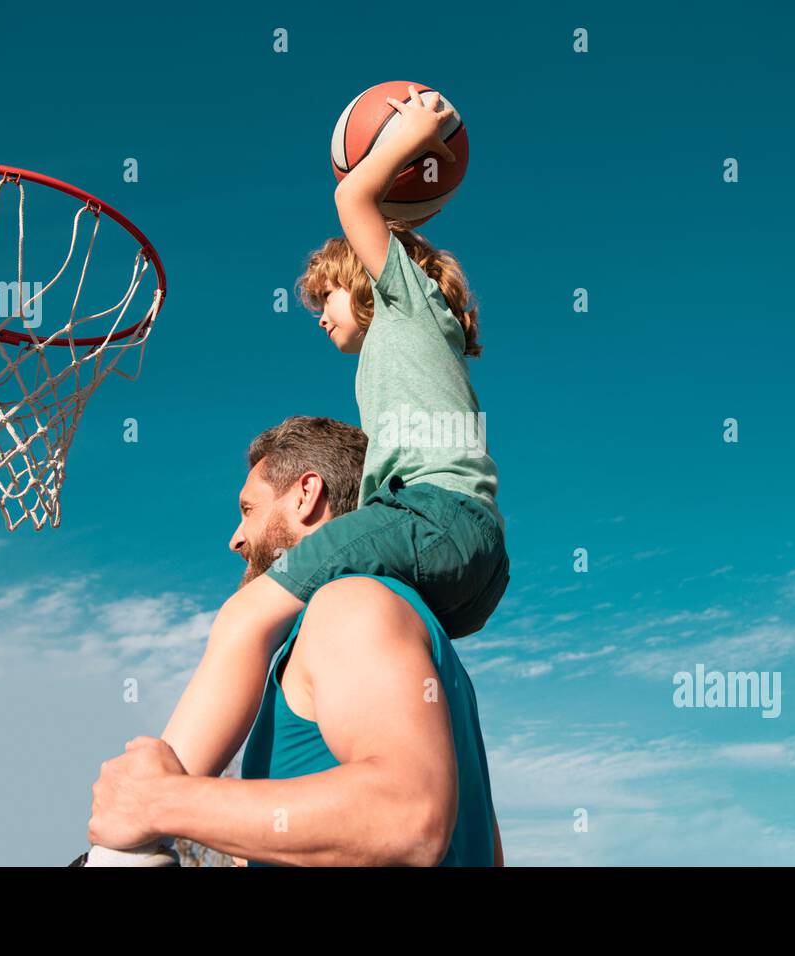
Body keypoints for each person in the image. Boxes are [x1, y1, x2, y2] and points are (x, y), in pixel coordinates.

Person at [79, 86, 508, 865]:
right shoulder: (424, 666)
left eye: (327, 295)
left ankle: (127, 847)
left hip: (437, 513)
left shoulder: (404, 305)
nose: (318, 312)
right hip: (469, 559)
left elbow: (355, 196)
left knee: (244, 621)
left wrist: (408, 136)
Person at [80, 417, 503, 866]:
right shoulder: (428, 652)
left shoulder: (351, 604)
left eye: (248, 510)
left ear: (306, 494)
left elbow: (409, 815)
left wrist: (162, 801)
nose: (236, 539)